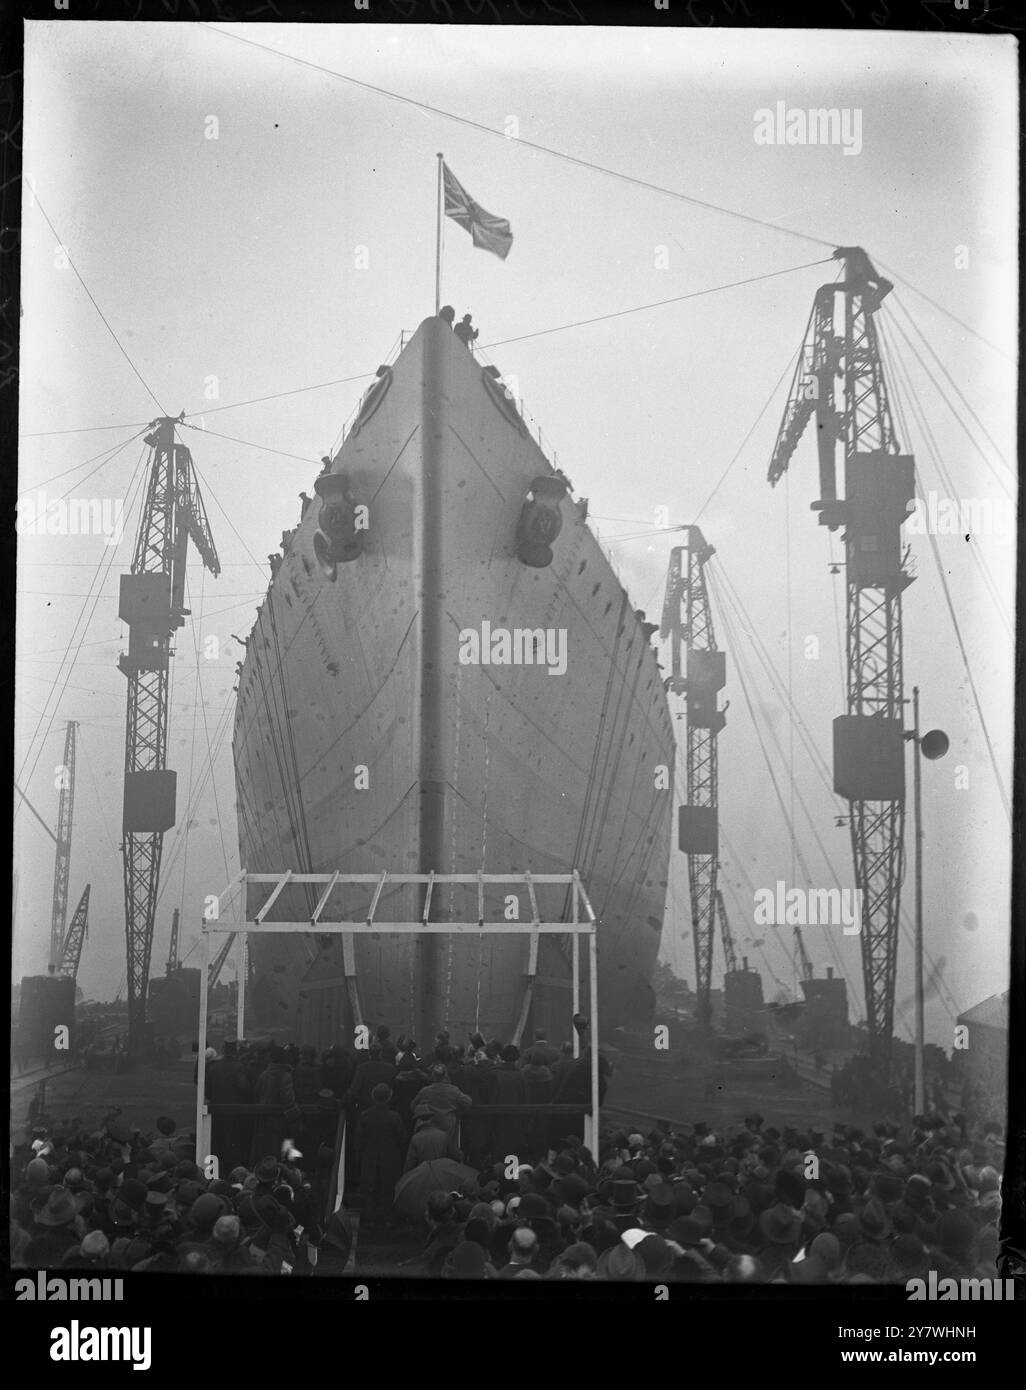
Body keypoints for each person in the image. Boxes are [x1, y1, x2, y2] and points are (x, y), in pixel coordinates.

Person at [356, 1084, 407, 1223]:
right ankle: (386, 1218)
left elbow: (359, 1139)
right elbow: (402, 1137)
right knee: (388, 1189)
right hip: (390, 1158)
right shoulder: (394, 1117)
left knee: (370, 1189)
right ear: (389, 1097)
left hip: (370, 1156)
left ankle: (369, 1218)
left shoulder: (365, 1116)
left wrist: (359, 1156)